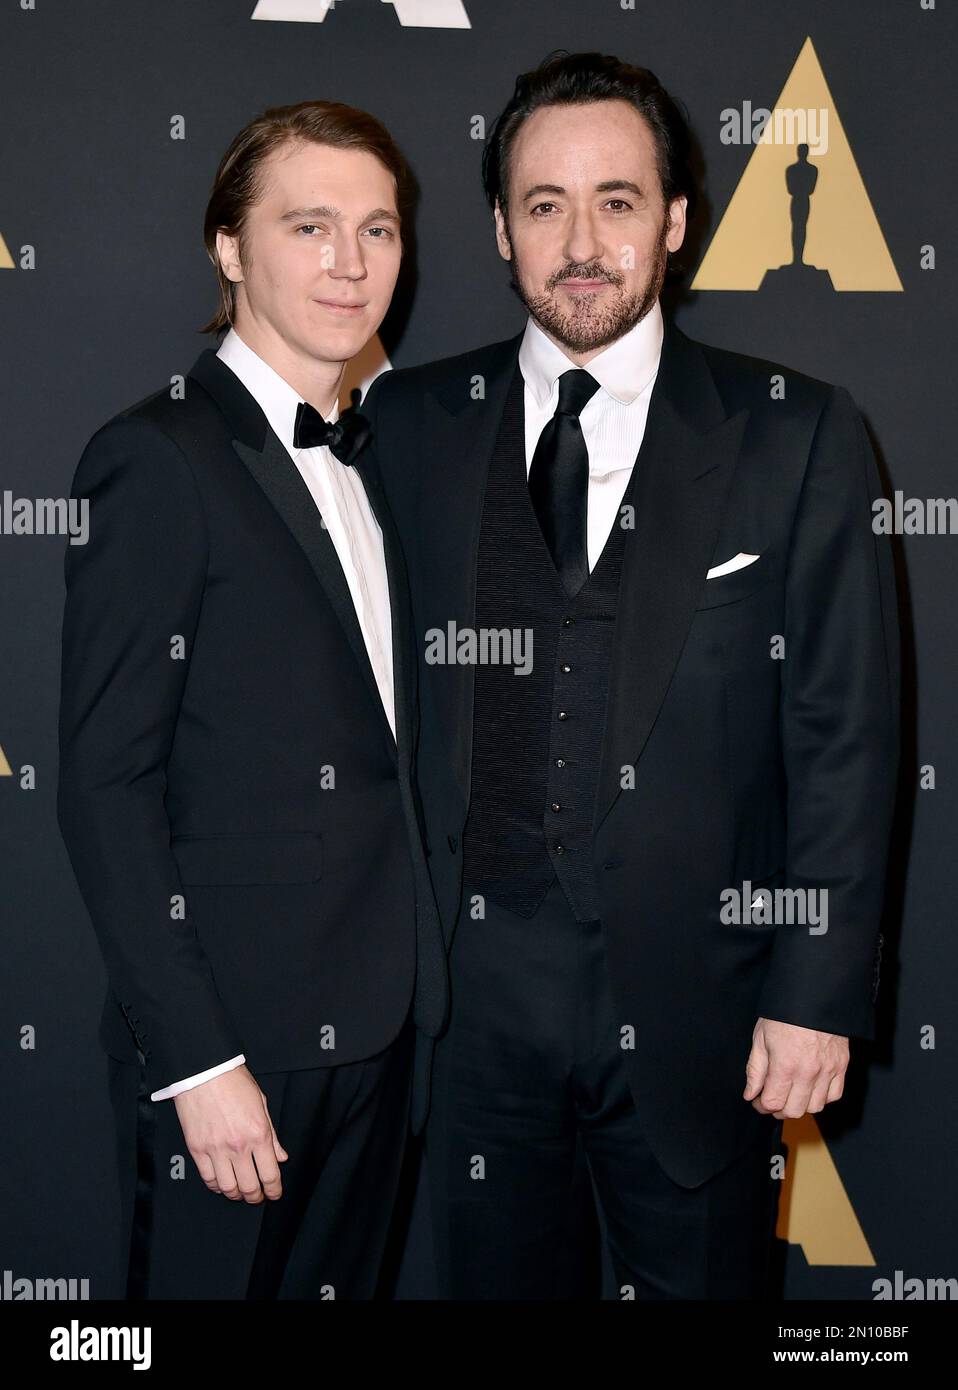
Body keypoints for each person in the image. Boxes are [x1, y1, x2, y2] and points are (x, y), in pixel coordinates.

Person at [362, 52, 901, 1299]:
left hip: (703, 1007)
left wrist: (815, 992)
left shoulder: (795, 429)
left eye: (616, 199)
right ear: (500, 230)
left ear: (675, 219)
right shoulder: (410, 428)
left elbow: (844, 730)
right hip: (470, 1007)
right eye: (544, 204)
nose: (581, 240)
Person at [56, 99, 446, 1300]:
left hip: (388, 1030)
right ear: (229, 249)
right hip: (239, 1053)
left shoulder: (391, 458)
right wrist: (199, 1062)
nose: (350, 263)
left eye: (377, 230)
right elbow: (104, 785)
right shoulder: (157, 459)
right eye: (310, 225)